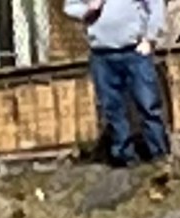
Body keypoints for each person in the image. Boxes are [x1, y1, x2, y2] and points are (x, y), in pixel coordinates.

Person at [66, 0, 170, 169]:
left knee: (148, 104)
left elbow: (156, 5)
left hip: (135, 51)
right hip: (101, 54)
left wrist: (150, 38)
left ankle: (159, 156)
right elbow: (70, 6)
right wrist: (88, 10)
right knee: (112, 108)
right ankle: (125, 158)